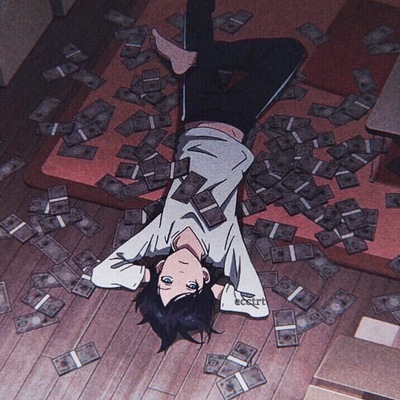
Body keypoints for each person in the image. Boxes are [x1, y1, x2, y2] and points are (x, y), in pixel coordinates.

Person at [92, 0, 306, 352]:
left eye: (167, 280)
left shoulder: (157, 237)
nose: (178, 274)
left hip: (194, 117)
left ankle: (195, 54)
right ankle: (195, 59)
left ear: (160, 268)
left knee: (196, 28)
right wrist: (220, 292)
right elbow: (257, 305)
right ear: (204, 278)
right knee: (290, 51)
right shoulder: (225, 248)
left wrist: (145, 274)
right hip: (235, 120)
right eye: (189, 286)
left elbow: (102, 274)